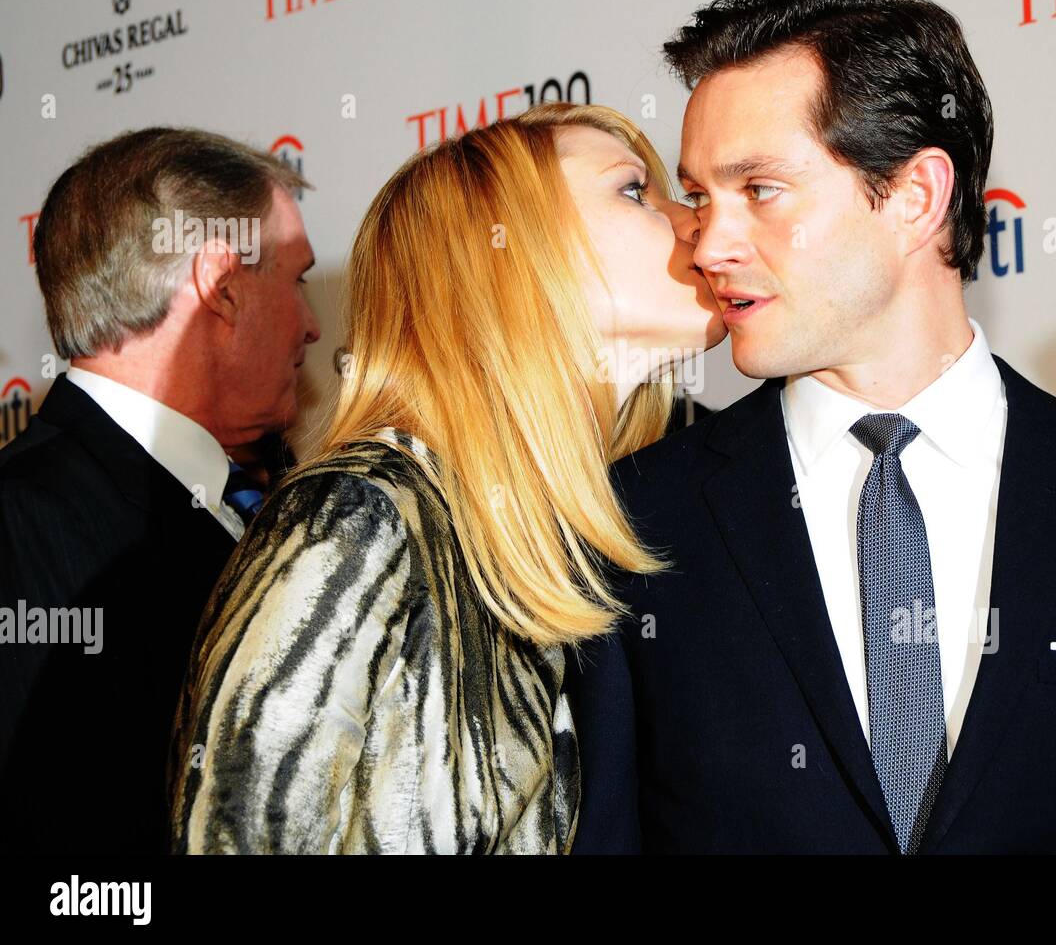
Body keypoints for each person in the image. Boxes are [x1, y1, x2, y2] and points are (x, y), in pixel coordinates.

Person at [569, 0, 1056, 854]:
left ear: (916, 196)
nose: (709, 244)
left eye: (759, 189)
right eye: (699, 197)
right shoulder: (629, 523)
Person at [169, 103, 725, 853]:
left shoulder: (572, 530)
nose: (696, 221)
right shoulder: (356, 516)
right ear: (507, 253)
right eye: (633, 191)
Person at [0, 127, 320, 853]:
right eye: (296, 278)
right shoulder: (20, 523)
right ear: (220, 283)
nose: (313, 325)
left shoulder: (252, 502)